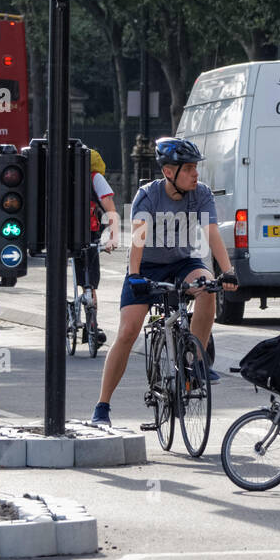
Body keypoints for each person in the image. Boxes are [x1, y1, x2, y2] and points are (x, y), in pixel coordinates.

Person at [91, 137, 238, 426]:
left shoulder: (201, 194)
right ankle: (102, 406)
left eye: (196, 168)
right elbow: (138, 240)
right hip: (146, 266)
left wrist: (228, 271)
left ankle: (195, 363)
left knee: (208, 288)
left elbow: (211, 233)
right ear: (169, 172)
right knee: (128, 331)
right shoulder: (148, 195)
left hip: (184, 263)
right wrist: (134, 276)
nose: (196, 174)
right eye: (190, 169)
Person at [74, 146, 120, 344]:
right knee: (89, 278)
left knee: (87, 280)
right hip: (88, 232)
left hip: (75, 232)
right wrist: (113, 236)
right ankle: (91, 324)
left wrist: (114, 236)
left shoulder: (61, 175)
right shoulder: (96, 178)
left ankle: (90, 323)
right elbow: (109, 207)